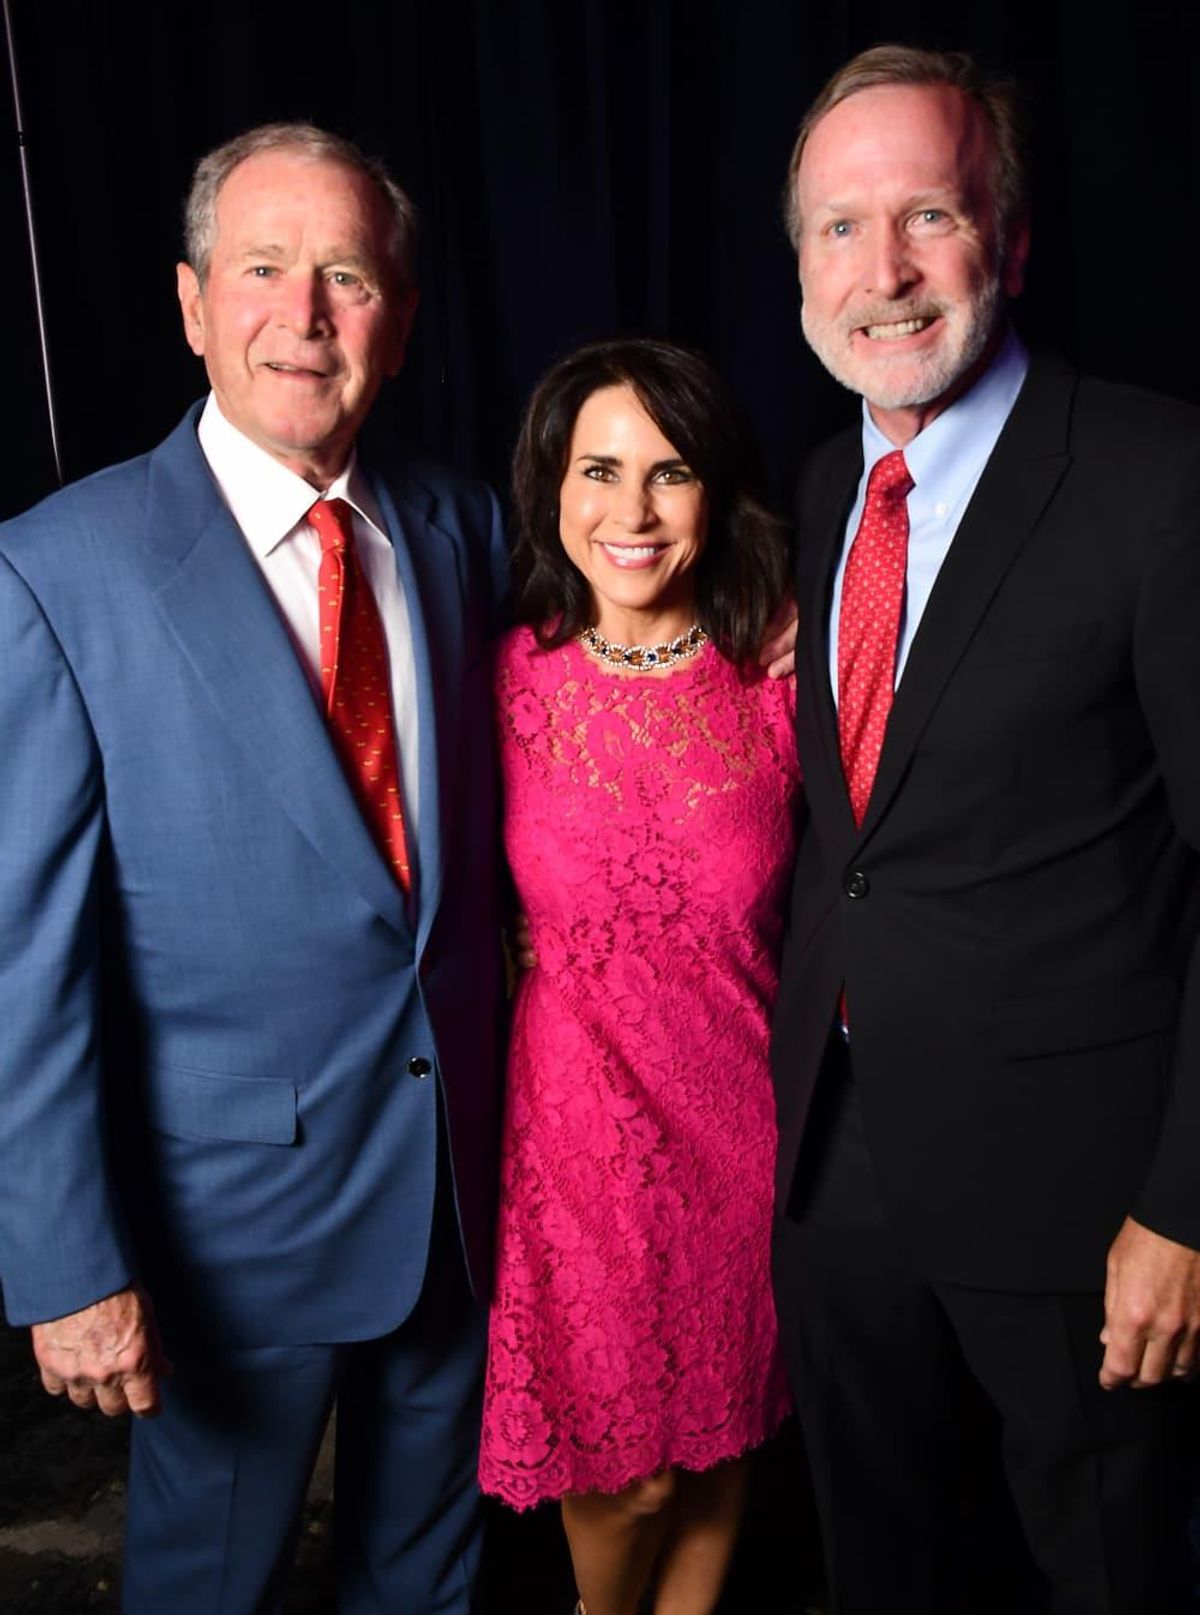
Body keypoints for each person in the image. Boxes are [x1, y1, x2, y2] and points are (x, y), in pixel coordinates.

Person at [0, 123, 506, 1614]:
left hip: (458, 1204)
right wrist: (64, 1262)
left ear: (399, 320)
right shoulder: (58, 569)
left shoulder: (460, 525)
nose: (304, 314)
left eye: (346, 276)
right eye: (265, 269)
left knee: (429, 1584)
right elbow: (26, 964)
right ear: (190, 302)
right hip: (223, 1236)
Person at [770, 43, 1200, 1614]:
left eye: (929, 215)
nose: (881, 271)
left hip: (1087, 1199)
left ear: (1009, 239)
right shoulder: (825, 486)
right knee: (882, 1568)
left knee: (1107, 1573)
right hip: (841, 1164)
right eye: (838, 226)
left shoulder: (1160, 479)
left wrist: (1188, 1205)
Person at [478, 338, 800, 1615]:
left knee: (724, 1456)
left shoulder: (783, 682)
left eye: (669, 475)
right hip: (575, 1155)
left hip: (747, 1133)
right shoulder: (496, 681)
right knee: (632, 1485)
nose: (631, 512)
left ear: (714, 491)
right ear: (551, 486)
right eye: (599, 470)